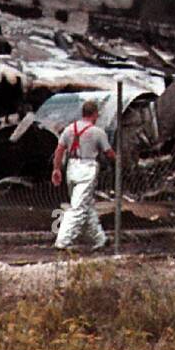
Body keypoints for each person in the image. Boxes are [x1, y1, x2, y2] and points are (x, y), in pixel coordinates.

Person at [51, 100, 115, 250]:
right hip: (87, 168)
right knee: (78, 207)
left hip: (71, 168)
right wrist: (119, 161)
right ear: (95, 114)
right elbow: (109, 153)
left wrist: (56, 169)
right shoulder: (97, 132)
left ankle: (100, 239)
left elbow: (59, 150)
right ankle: (62, 241)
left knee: (86, 205)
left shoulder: (69, 129)